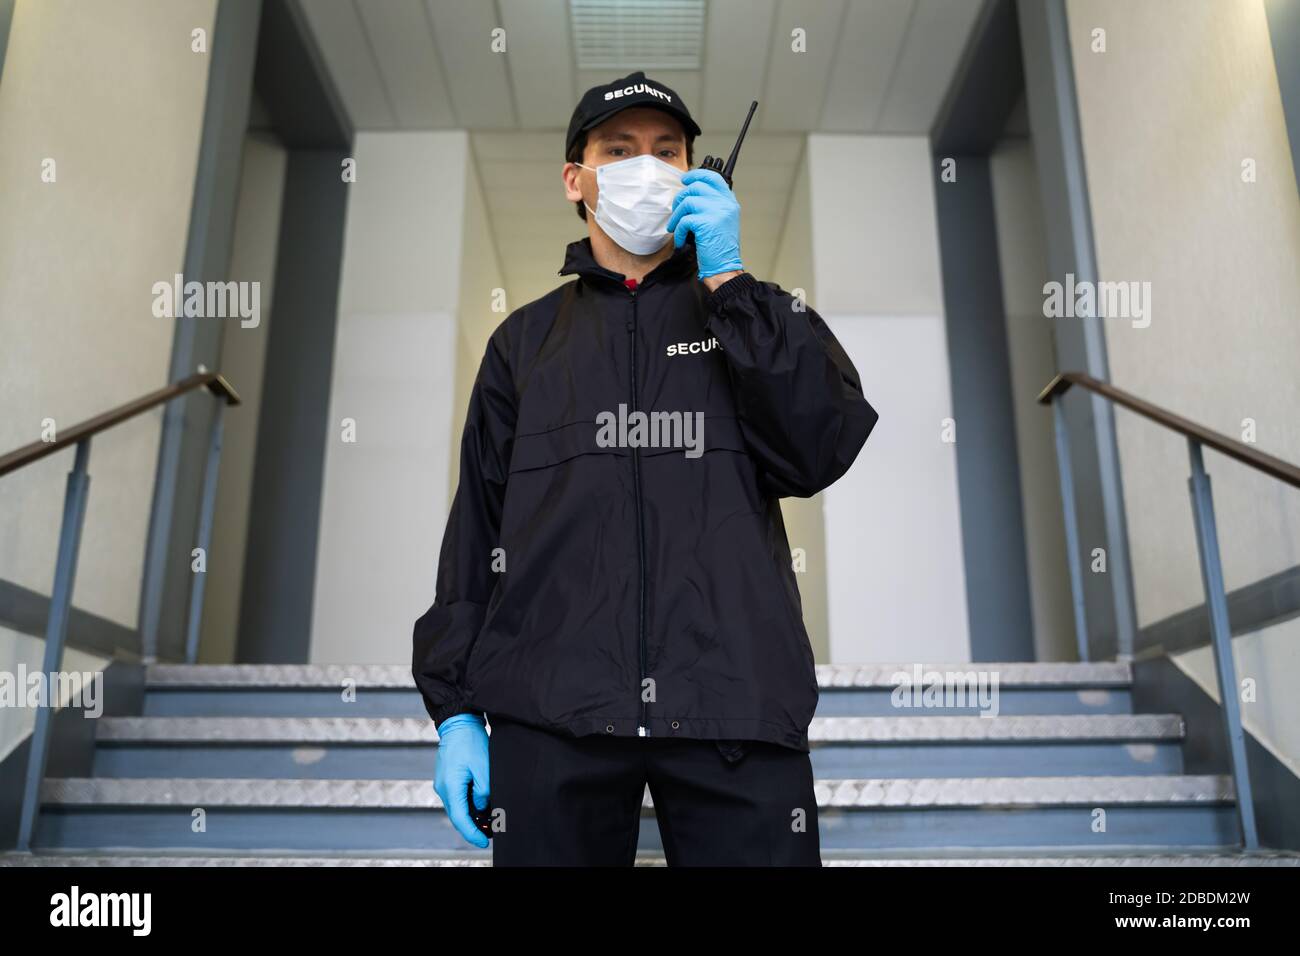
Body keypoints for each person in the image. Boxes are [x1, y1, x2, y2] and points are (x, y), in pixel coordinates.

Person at [413, 70, 878, 866]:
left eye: (668, 152)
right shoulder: (523, 346)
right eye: (619, 150)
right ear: (577, 179)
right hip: (552, 708)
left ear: (700, 173)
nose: (647, 167)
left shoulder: (755, 317)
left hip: (733, 700)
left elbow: (821, 445)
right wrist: (456, 710)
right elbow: (477, 532)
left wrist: (730, 280)